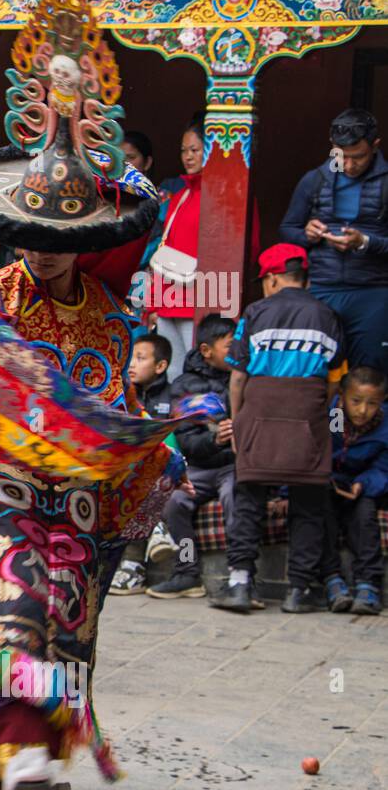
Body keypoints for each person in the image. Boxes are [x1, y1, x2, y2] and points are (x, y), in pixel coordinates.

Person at [0, 0, 199, 790]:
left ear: (83, 242)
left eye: (60, 238)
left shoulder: (110, 322)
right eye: (30, 234)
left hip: (72, 495)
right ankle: (15, 752)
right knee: (10, 610)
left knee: (65, 619)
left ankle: (40, 752)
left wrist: (147, 450)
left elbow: (107, 413)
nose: (43, 250)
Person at [213, 243, 346, 615]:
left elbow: (238, 377)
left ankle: (240, 583)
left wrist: (238, 423)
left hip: (258, 413)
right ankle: (299, 591)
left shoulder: (256, 313)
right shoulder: (328, 315)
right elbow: (335, 380)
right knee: (308, 503)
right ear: (304, 278)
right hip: (309, 416)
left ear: (272, 278)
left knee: (249, 497)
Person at [141, 116, 259, 379]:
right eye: (184, 151)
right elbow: (164, 253)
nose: (187, 157)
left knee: (200, 373)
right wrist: (153, 306)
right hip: (168, 300)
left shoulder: (231, 195)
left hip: (203, 301)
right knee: (172, 374)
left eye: (194, 150)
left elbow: (246, 250)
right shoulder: (179, 196)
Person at [278, 109, 388, 373]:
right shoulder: (314, 181)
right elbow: (287, 229)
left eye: (358, 157)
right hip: (322, 290)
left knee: (369, 373)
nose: (349, 165)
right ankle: (326, 417)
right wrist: (307, 235)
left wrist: (365, 242)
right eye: (342, 156)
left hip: (372, 293)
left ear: (375, 146)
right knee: (316, 369)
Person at [148, 315, 240, 601]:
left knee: (237, 496)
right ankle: (187, 573)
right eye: (229, 346)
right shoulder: (184, 386)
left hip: (232, 466)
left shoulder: (244, 380)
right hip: (199, 466)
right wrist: (215, 439)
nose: (237, 351)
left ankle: (239, 576)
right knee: (175, 501)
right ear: (206, 350)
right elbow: (186, 441)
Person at [109, 331, 175, 596]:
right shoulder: (123, 396)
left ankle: (133, 567)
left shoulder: (173, 397)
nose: (133, 365)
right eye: (131, 358)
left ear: (161, 366)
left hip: (166, 468)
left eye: (141, 358)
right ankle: (156, 532)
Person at [325, 366, 388, 615]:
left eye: (372, 403)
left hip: (364, 486)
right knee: (319, 510)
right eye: (356, 401)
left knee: (364, 513)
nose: (363, 410)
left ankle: (369, 582)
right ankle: (331, 578)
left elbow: (383, 468)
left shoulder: (384, 425)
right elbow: (320, 453)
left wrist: (362, 484)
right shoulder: (334, 417)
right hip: (329, 483)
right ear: (342, 396)